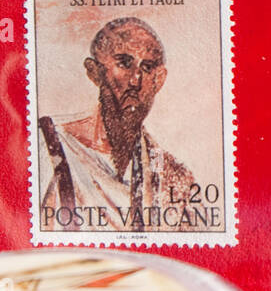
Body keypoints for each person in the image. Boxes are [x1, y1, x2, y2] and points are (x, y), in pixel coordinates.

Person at [39, 17, 206, 233]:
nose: (135, 80)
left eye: (147, 68)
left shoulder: (174, 176)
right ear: (94, 72)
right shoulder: (47, 148)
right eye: (124, 63)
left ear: (160, 79)